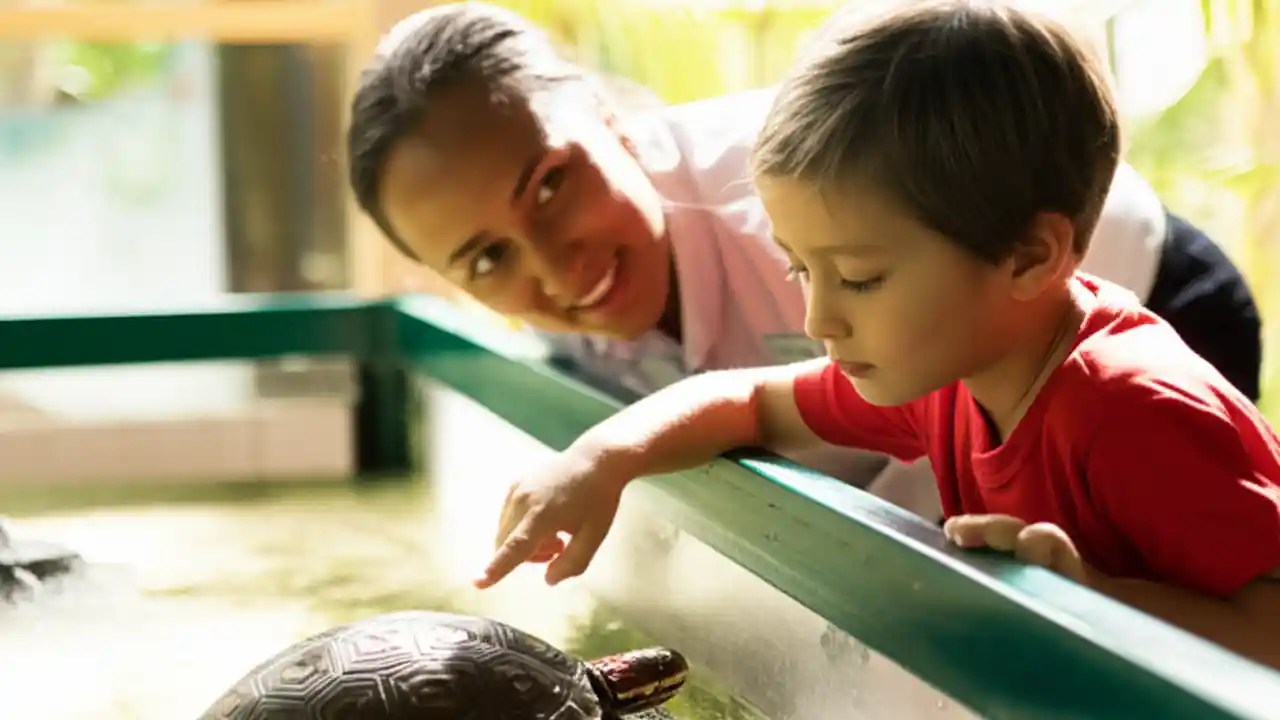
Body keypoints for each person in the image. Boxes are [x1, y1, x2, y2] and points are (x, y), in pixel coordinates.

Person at [473, 1, 1280, 670]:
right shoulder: (949, 372)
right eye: (799, 271)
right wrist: (603, 458)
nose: (819, 318)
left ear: (1029, 255)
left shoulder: (1129, 412)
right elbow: (753, 400)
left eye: (859, 277)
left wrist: (1093, 595)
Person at [346, 1, 1263, 520]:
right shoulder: (881, 318)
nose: (550, 264)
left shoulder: (810, 203)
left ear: (610, 118)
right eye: (485, 259)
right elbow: (767, 400)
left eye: (549, 185)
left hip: (1136, 286)